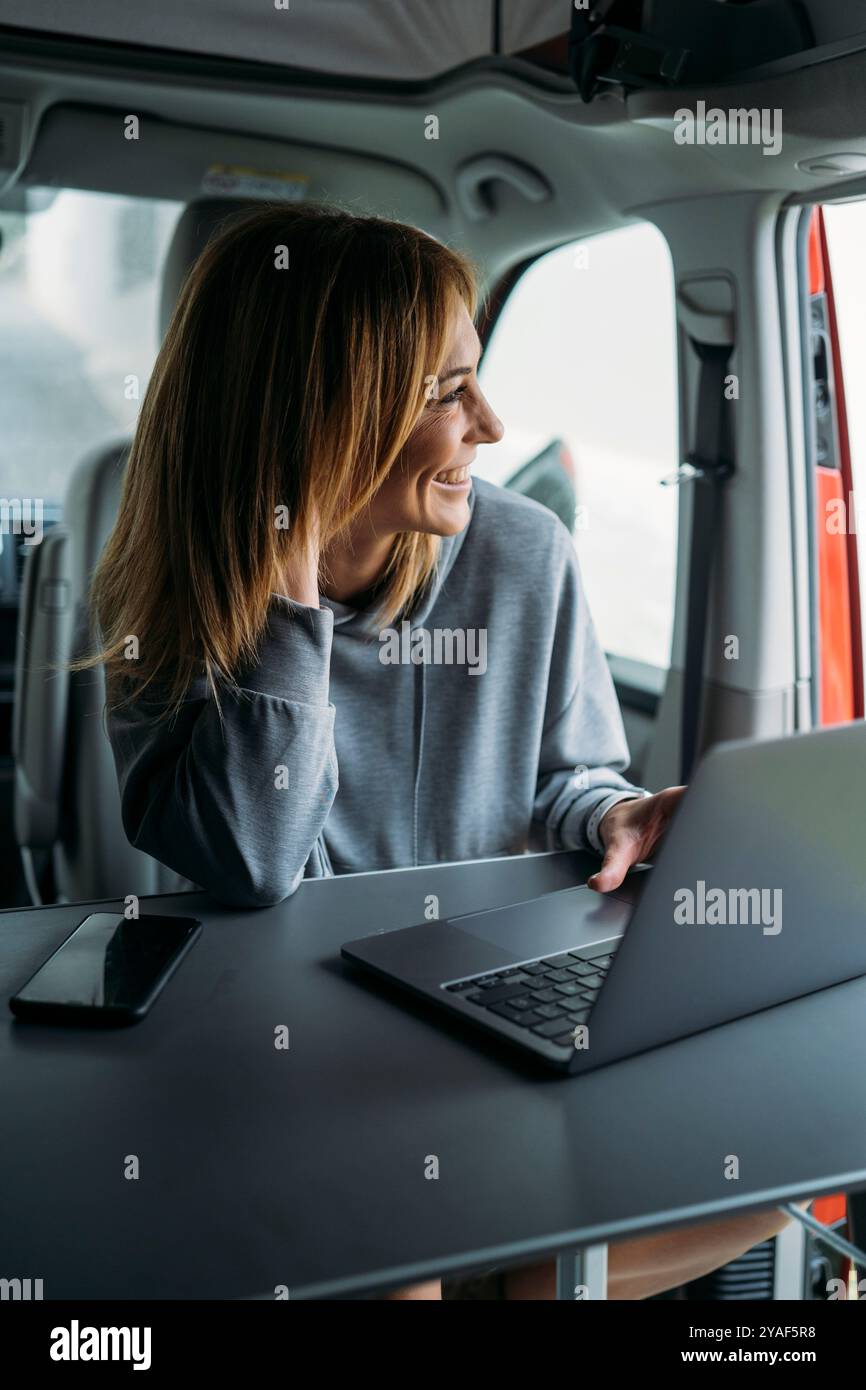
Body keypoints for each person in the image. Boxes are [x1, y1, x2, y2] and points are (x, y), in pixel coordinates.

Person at [90, 203, 803, 1299]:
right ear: (321, 418)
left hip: (488, 1002)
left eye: (475, 376)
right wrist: (288, 578)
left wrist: (609, 815)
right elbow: (252, 859)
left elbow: (567, 776)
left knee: (765, 1170)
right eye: (443, 391)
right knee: (403, 1265)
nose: (491, 421)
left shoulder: (523, 555)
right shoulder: (166, 599)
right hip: (291, 1037)